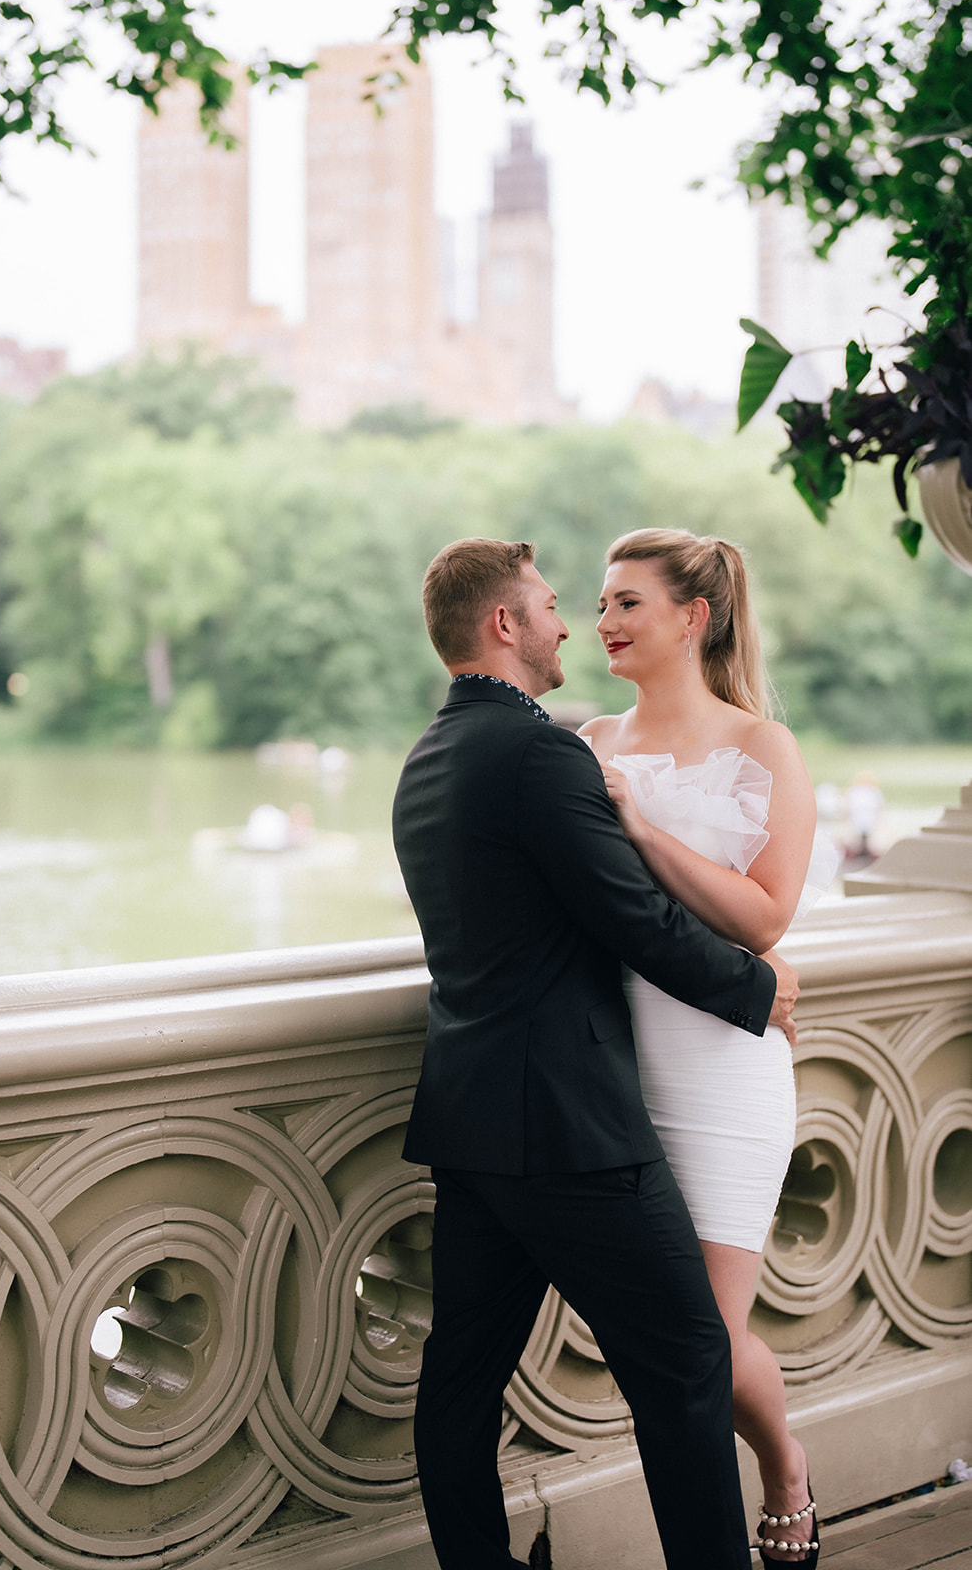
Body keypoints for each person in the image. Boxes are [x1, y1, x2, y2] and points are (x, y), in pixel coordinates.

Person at [392, 537, 800, 1570]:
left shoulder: (427, 757)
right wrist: (758, 987)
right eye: (549, 604)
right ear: (504, 625)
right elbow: (631, 920)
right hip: (572, 1125)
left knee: (458, 1387)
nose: (567, 621)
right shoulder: (539, 750)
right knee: (686, 1369)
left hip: (473, 1119)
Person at [581, 528, 832, 1568]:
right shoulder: (588, 737)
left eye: (627, 602)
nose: (602, 622)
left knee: (705, 1340)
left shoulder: (761, 745)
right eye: (597, 603)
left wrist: (642, 829)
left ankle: (780, 1468)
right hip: (608, 1070)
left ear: (694, 616)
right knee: (652, 1337)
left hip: (726, 1069)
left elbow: (764, 920)